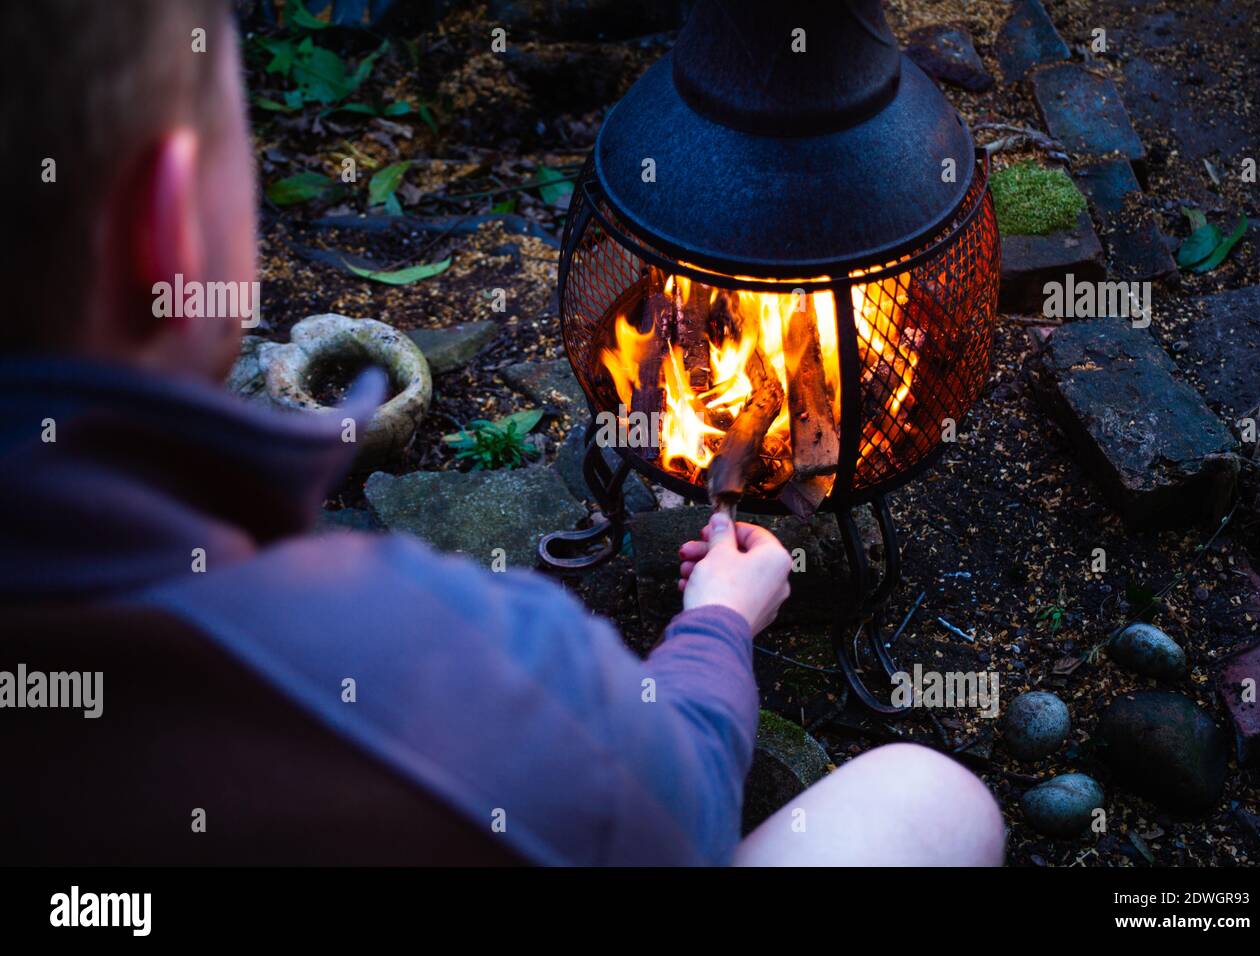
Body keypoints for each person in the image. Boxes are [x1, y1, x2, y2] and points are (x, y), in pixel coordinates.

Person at [0, 0, 1003, 866]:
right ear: (168, 225)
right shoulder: (428, 666)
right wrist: (716, 626)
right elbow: (680, 807)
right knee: (933, 797)